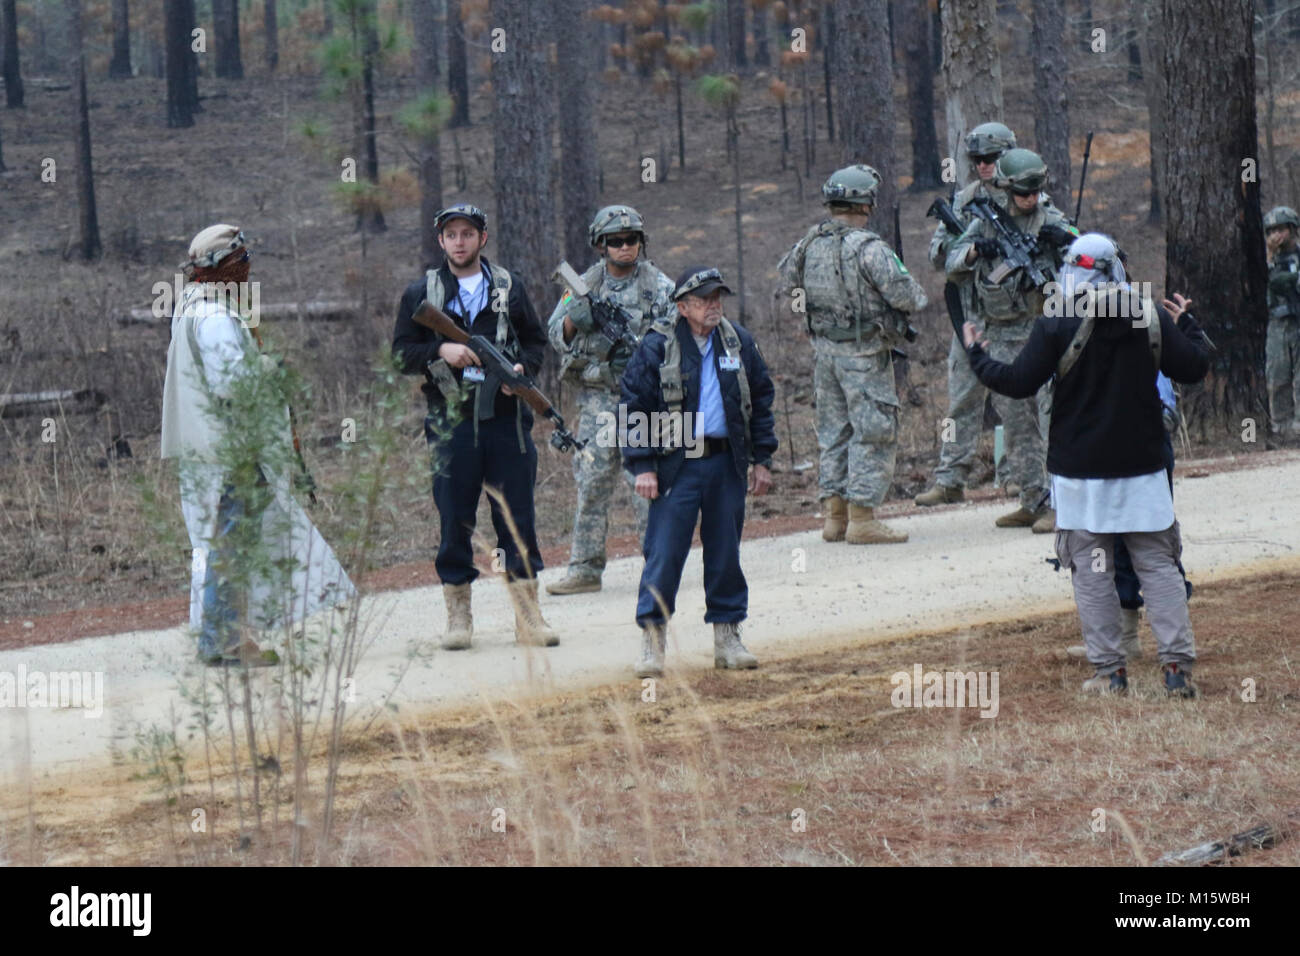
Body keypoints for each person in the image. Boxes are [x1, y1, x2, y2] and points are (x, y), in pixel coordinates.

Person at [965, 232, 1210, 697]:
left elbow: (1017, 383)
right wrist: (1189, 324)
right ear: (1117, 268)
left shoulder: (1056, 322)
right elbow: (1195, 368)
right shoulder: (1151, 316)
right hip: (1143, 466)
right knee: (1158, 565)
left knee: (1092, 569)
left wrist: (977, 355)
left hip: (1080, 473)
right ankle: (1177, 670)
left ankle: (1109, 673)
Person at [161, 224, 355, 666]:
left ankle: (228, 635)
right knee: (230, 546)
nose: (249, 267)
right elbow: (234, 384)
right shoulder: (213, 318)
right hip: (231, 450)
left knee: (229, 544)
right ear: (223, 266)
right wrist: (268, 366)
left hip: (211, 449)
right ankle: (224, 642)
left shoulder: (193, 306)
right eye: (242, 260)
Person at [392, 203, 557, 650]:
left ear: (482, 239)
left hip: (507, 423)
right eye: (452, 235)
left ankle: (528, 616)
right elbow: (400, 354)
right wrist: (438, 352)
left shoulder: (509, 286)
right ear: (441, 241)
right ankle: (459, 617)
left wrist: (522, 369)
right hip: (451, 424)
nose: (460, 241)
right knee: (455, 519)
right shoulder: (421, 293)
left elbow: (537, 342)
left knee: (515, 520)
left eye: (468, 233)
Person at [621, 266, 777, 677]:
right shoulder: (658, 345)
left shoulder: (737, 341)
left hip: (726, 461)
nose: (714, 305)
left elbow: (760, 399)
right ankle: (652, 643)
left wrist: (762, 458)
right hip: (676, 464)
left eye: (717, 297)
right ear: (683, 306)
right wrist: (642, 466)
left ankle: (728, 637)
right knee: (665, 553)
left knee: (725, 552)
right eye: (705, 299)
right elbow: (634, 404)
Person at [776, 164, 927, 544]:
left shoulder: (807, 244)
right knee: (873, 430)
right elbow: (909, 296)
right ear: (867, 203)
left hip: (825, 355)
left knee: (833, 433)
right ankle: (862, 518)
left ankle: (834, 517)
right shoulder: (870, 248)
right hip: (864, 355)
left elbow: (787, 282)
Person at [545, 204, 676, 595]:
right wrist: (575, 317)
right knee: (592, 481)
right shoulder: (584, 284)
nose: (624, 247)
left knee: (646, 483)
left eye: (631, 239)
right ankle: (584, 568)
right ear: (601, 245)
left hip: (643, 401)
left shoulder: (659, 285)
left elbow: (678, 336)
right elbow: (555, 334)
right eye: (615, 241)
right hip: (599, 398)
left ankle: (658, 566)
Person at [946, 148, 1078, 533]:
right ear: (1006, 189)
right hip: (1002, 334)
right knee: (1018, 423)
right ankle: (1032, 499)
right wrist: (974, 251)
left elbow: (1091, 252)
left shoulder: (1050, 217)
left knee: (1053, 418)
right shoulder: (985, 220)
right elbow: (950, 263)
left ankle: (1062, 503)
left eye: (1035, 192)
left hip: (1044, 331)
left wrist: (1065, 239)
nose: (1030, 199)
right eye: (1022, 193)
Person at [916, 121, 1016, 507]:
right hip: (971, 319)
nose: (984, 165)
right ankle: (950, 477)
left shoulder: (1025, 199)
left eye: (991, 158)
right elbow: (936, 256)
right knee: (961, 402)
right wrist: (970, 248)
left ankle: (1013, 475)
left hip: (1012, 318)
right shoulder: (964, 201)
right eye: (977, 159)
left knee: (1014, 402)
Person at [1264, 205, 1300, 441]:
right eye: (1272, 231)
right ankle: (1281, 430)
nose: (1277, 235)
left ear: (1292, 229)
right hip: (1277, 324)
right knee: (1277, 377)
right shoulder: (1265, 261)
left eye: (1281, 229)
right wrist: (1270, 261)